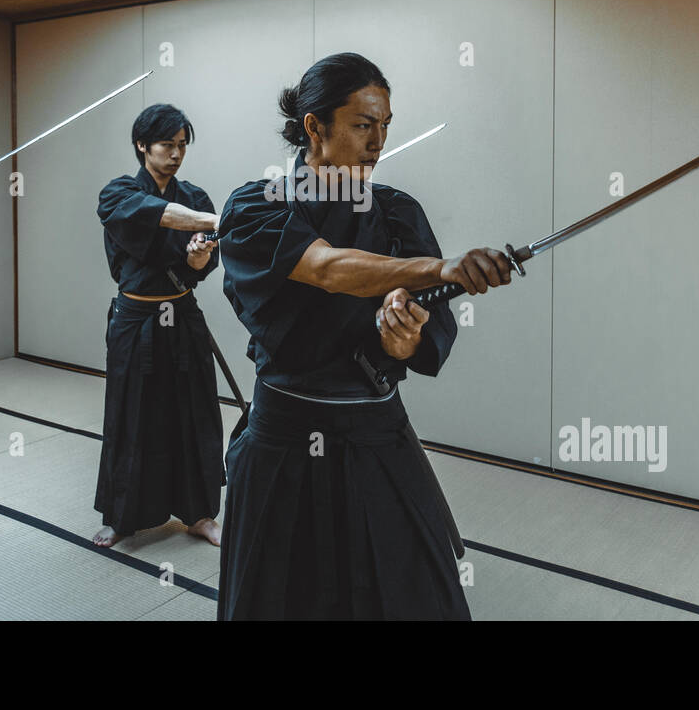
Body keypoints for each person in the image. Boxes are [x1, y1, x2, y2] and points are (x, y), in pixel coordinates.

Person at [215, 52, 513, 619]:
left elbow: (420, 336)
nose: (377, 141)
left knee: (412, 597)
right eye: (361, 124)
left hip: (377, 431)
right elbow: (326, 267)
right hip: (285, 436)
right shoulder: (256, 206)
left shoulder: (399, 213)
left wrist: (402, 339)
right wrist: (439, 268)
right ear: (314, 127)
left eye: (385, 126)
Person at [92, 103, 225, 548]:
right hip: (136, 318)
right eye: (167, 144)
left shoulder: (198, 197)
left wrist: (199, 257)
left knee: (195, 411)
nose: (176, 154)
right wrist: (215, 222)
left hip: (182, 316)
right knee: (131, 415)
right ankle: (122, 517)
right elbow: (159, 217)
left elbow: (201, 266)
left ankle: (200, 513)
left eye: (182, 145)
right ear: (142, 145)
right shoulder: (118, 194)